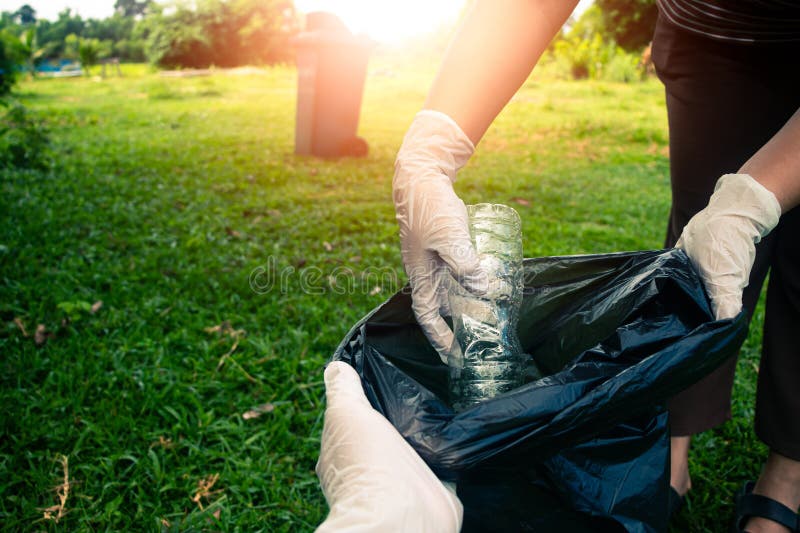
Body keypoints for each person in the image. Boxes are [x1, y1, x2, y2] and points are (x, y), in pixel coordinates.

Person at [316, 1, 800, 531]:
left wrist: (755, 199)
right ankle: (668, 456)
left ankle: (789, 475)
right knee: (699, 237)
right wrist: (428, 153)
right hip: (714, 35)